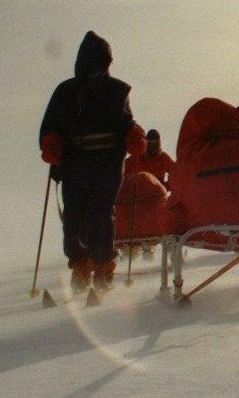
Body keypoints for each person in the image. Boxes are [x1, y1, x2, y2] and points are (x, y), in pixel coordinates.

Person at [39, 31, 147, 293]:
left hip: (106, 164)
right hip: (75, 164)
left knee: (99, 216)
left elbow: (125, 122)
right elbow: (50, 125)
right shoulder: (65, 92)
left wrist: (134, 136)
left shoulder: (116, 91)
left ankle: (102, 269)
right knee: (74, 218)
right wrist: (50, 142)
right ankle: (80, 266)